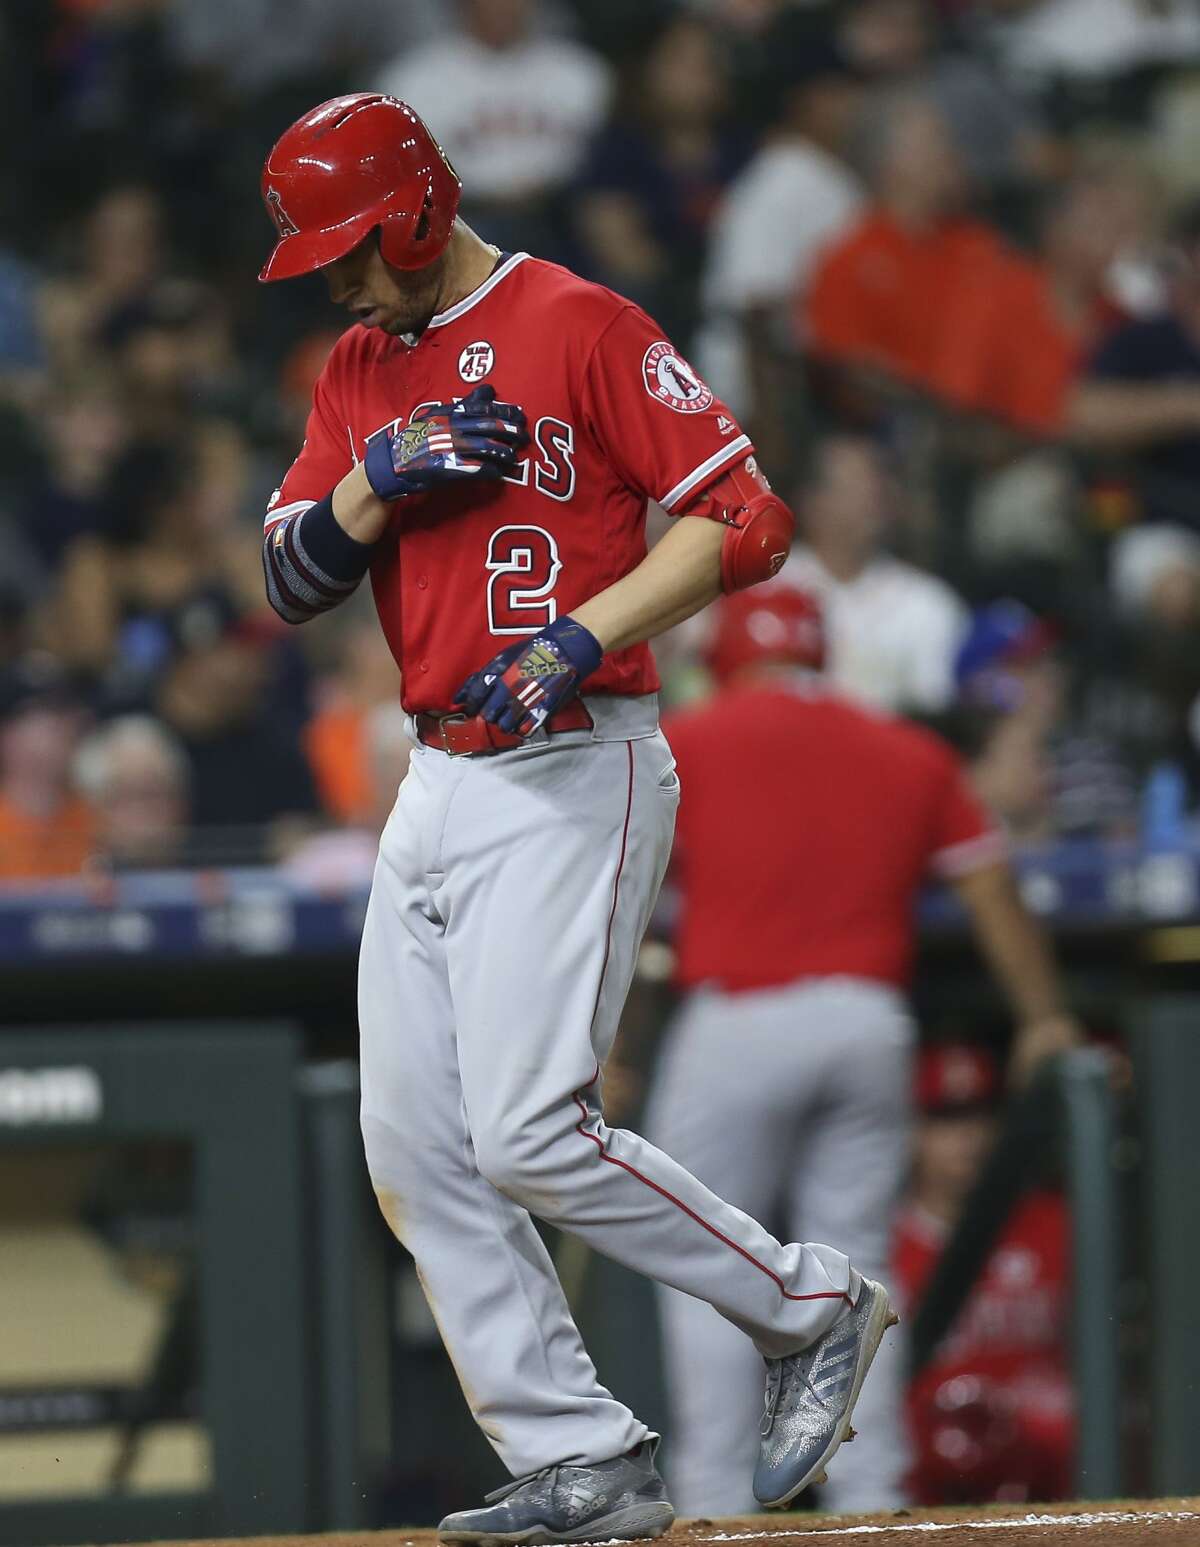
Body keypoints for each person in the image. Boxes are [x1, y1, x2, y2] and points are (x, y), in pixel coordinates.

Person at [257, 92, 893, 1545]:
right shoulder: (357, 367)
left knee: (532, 1130)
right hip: (435, 778)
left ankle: (811, 1303)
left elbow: (746, 520)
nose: (341, 280)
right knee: (413, 1143)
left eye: (352, 247)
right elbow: (286, 580)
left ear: (418, 207)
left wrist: (578, 634)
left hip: (572, 761)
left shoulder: (579, 320)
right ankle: (580, 1452)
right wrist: (369, 487)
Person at [638, 584, 1082, 1516]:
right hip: (869, 1023)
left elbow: (629, 914)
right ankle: (872, 1495)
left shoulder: (688, 740)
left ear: (730, 657)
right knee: (857, 1269)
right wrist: (1041, 1015)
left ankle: (719, 1501)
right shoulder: (906, 747)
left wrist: (613, 1048)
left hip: (737, 1021)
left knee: (703, 1258)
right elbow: (990, 884)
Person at [893, 1043, 1073, 1505]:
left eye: (980, 1115)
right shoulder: (877, 1249)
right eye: (946, 1118)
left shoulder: (1055, 1225)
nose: (969, 1136)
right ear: (909, 1129)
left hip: (1048, 1477)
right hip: (924, 1487)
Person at [786, 435, 968, 714]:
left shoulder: (927, 604)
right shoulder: (763, 584)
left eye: (879, 487)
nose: (873, 499)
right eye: (855, 487)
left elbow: (932, 716)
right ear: (811, 501)